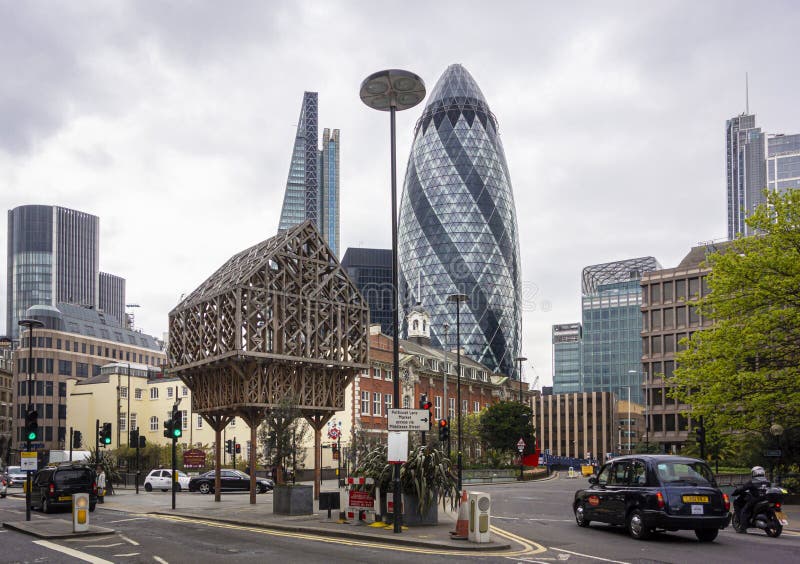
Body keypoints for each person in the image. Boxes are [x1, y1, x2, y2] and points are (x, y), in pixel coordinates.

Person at [733, 466, 769, 532]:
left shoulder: (753, 481)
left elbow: (743, 488)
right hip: (766, 499)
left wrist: (736, 492)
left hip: (756, 499)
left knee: (745, 511)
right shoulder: (767, 481)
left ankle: (742, 528)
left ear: (754, 473)